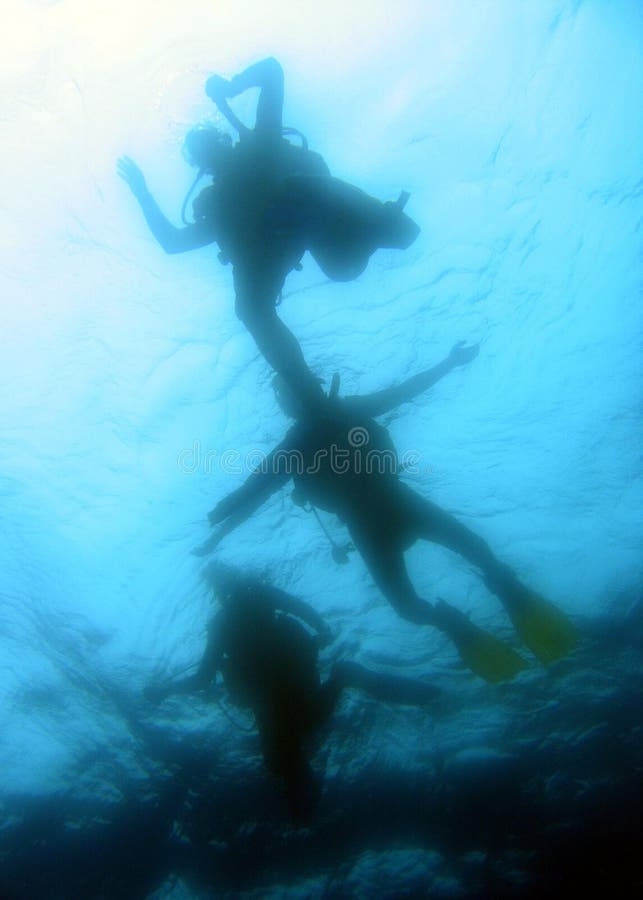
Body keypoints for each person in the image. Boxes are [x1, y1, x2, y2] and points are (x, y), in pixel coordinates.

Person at [194, 343, 577, 683]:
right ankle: (456, 620)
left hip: (390, 506)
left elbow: (402, 392)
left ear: (307, 387)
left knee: (471, 553)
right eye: (283, 395)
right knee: (413, 602)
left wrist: (449, 363)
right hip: (378, 519)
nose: (290, 398)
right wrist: (220, 525)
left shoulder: (341, 412)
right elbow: (257, 488)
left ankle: (505, 589)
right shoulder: (299, 440)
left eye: (290, 390)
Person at [117, 57, 419, 410]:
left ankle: (382, 222)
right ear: (202, 165)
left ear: (223, 141)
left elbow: (273, 70)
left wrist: (232, 85)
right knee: (247, 308)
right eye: (203, 154)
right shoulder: (218, 206)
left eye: (211, 145)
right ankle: (306, 389)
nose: (212, 154)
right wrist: (141, 192)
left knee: (301, 185)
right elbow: (171, 243)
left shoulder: (260, 147)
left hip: (336, 240)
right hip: (314, 260)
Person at [144, 562, 440, 820]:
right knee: (286, 752)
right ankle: (305, 807)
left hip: (279, 700)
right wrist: (321, 628)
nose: (225, 591)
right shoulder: (248, 603)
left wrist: (166, 690)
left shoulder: (231, 616)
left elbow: (202, 679)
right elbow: (299, 608)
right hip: (292, 694)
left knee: (281, 758)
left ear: (218, 590)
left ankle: (304, 807)